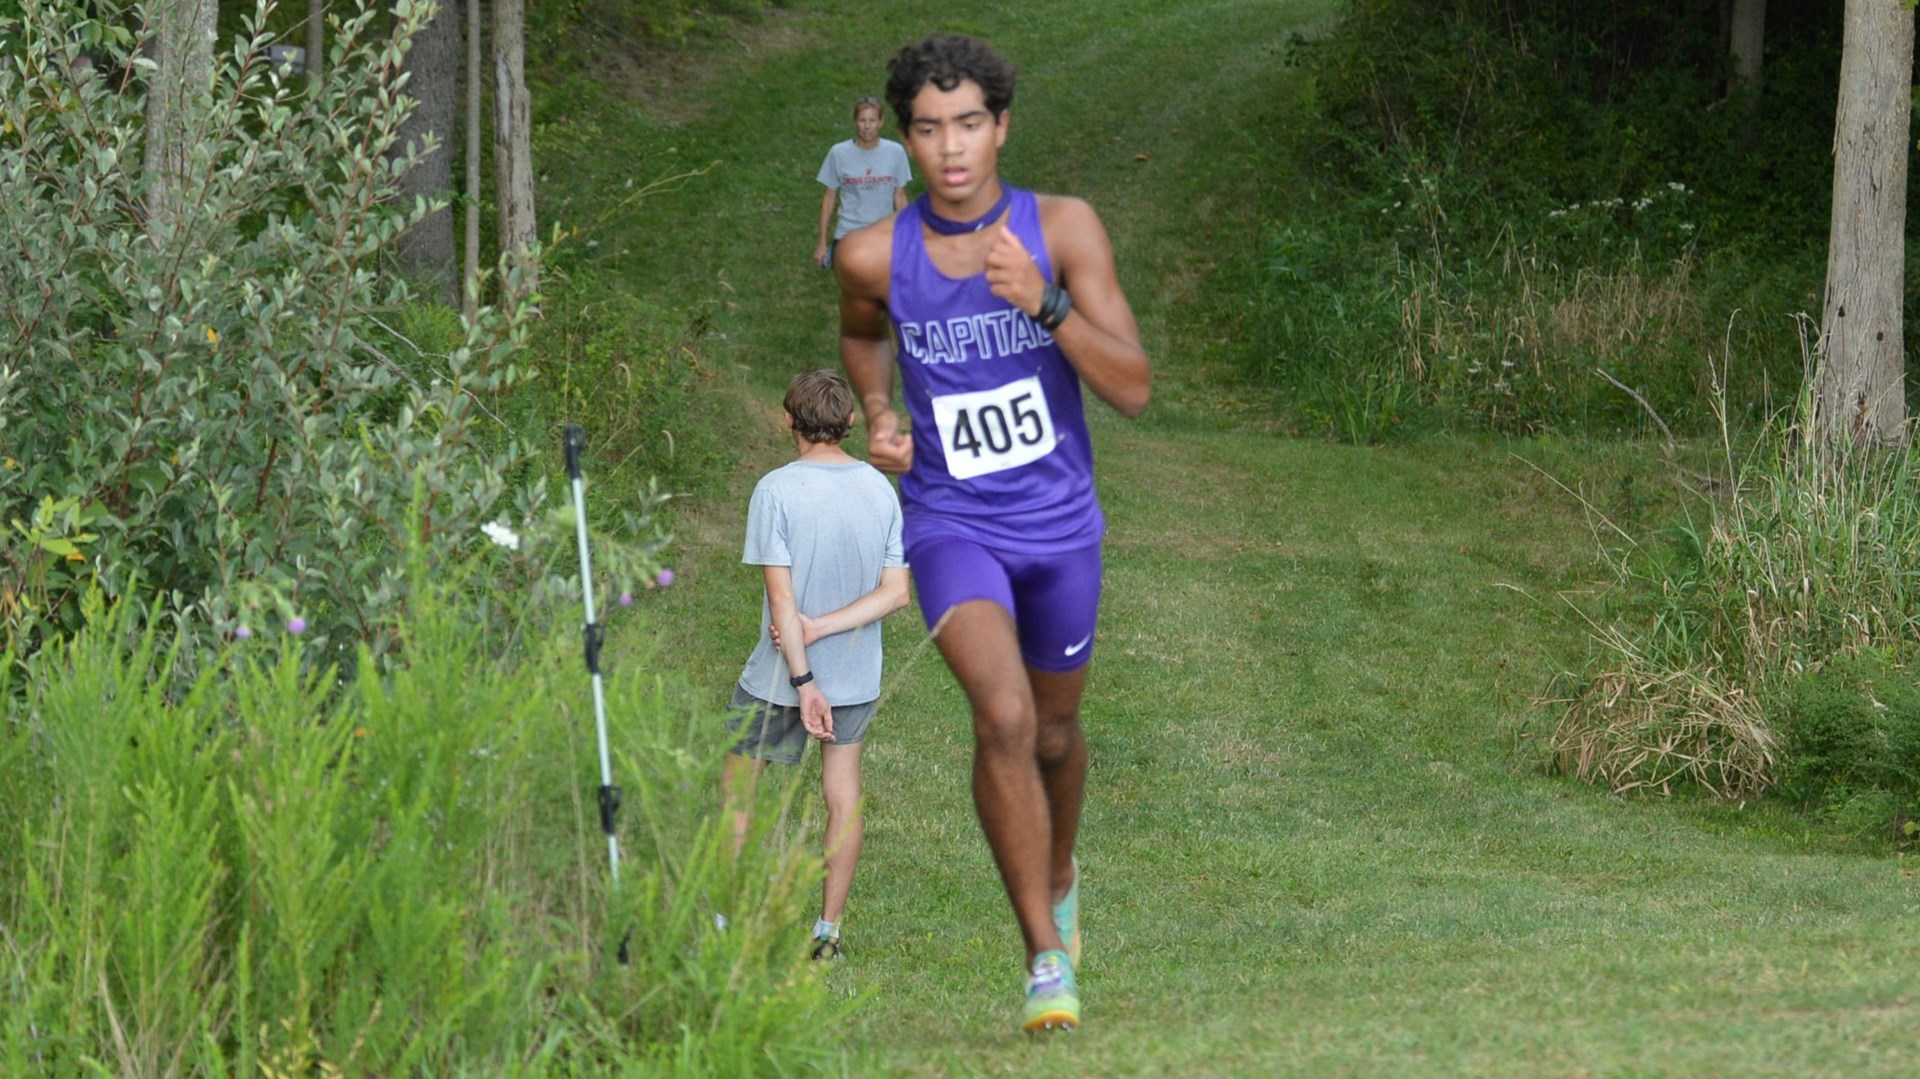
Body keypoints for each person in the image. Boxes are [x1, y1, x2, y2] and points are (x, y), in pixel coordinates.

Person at [832, 34, 1150, 1033]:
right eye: (929, 129)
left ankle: (1060, 869)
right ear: (907, 142)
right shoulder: (874, 252)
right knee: (1003, 717)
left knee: (1054, 732)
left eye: (968, 123)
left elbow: (1134, 387)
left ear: (1002, 126)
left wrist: (1044, 303)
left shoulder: (1062, 230)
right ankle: (1044, 958)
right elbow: (859, 331)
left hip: (1060, 525)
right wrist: (878, 408)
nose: (951, 147)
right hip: (949, 520)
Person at [722, 369, 910, 960]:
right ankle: (827, 934)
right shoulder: (881, 490)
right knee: (843, 796)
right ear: (850, 422)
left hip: (779, 676)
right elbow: (896, 593)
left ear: (787, 421)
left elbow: (783, 603)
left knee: (738, 795)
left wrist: (804, 678)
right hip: (855, 676)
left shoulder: (775, 490)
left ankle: (734, 923)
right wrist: (828, 628)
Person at [814, 96, 912, 269]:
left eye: (872, 120)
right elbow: (829, 199)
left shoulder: (895, 152)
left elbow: (900, 197)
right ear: (855, 122)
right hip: (849, 235)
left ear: (880, 122)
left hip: (883, 235)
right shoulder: (839, 153)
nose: (867, 126)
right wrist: (822, 243)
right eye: (862, 120)